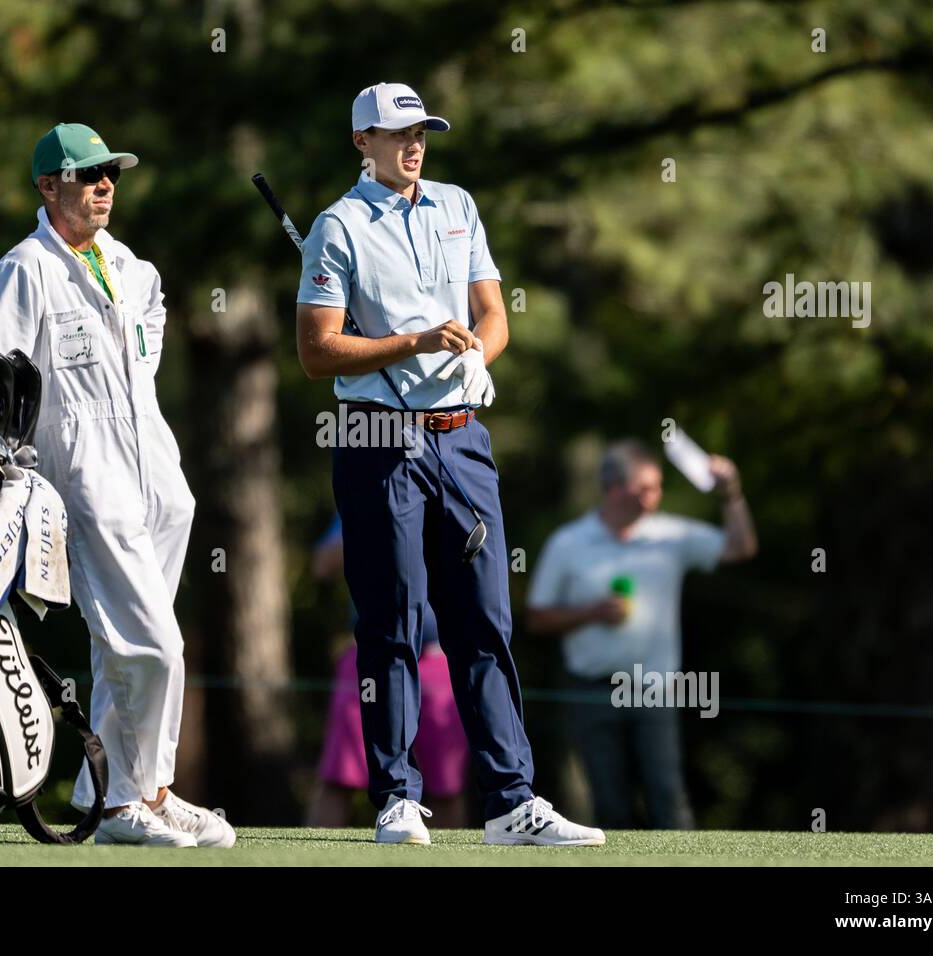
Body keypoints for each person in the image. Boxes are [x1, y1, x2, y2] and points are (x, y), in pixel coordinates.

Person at [296, 82, 605, 846]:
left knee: (484, 619)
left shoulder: (458, 206)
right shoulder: (337, 226)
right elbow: (317, 351)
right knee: (392, 620)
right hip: (376, 438)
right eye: (399, 133)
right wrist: (416, 342)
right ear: (362, 141)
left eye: (422, 132)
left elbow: (492, 315)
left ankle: (512, 801)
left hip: (462, 438)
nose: (415, 145)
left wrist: (477, 359)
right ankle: (397, 798)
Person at [0, 123, 233, 848]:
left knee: (128, 648)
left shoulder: (131, 267)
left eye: (110, 172)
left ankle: (130, 794)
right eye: (87, 174)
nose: (104, 184)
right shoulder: (24, 269)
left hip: (157, 478)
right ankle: (131, 801)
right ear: (49, 185)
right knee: (153, 647)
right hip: (86, 481)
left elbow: (147, 335)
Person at [526, 439, 758, 829]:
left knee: (668, 798)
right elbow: (536, 618)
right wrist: (591, 613)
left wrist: (730, 492)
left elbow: (741, 548)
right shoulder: (568, 543)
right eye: (646, 487)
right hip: (591, 688)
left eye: (658, 487)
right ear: (614, 488)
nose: (656, 496)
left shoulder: (671, 535)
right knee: (609, 804)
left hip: (655, 689)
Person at [307, 515, 470, 828]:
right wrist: (381, 523)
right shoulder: (368, 496)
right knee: (339, 777)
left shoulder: (455, 500)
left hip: (439, 660)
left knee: (446, 786)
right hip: (370, 656)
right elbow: (322, 566)